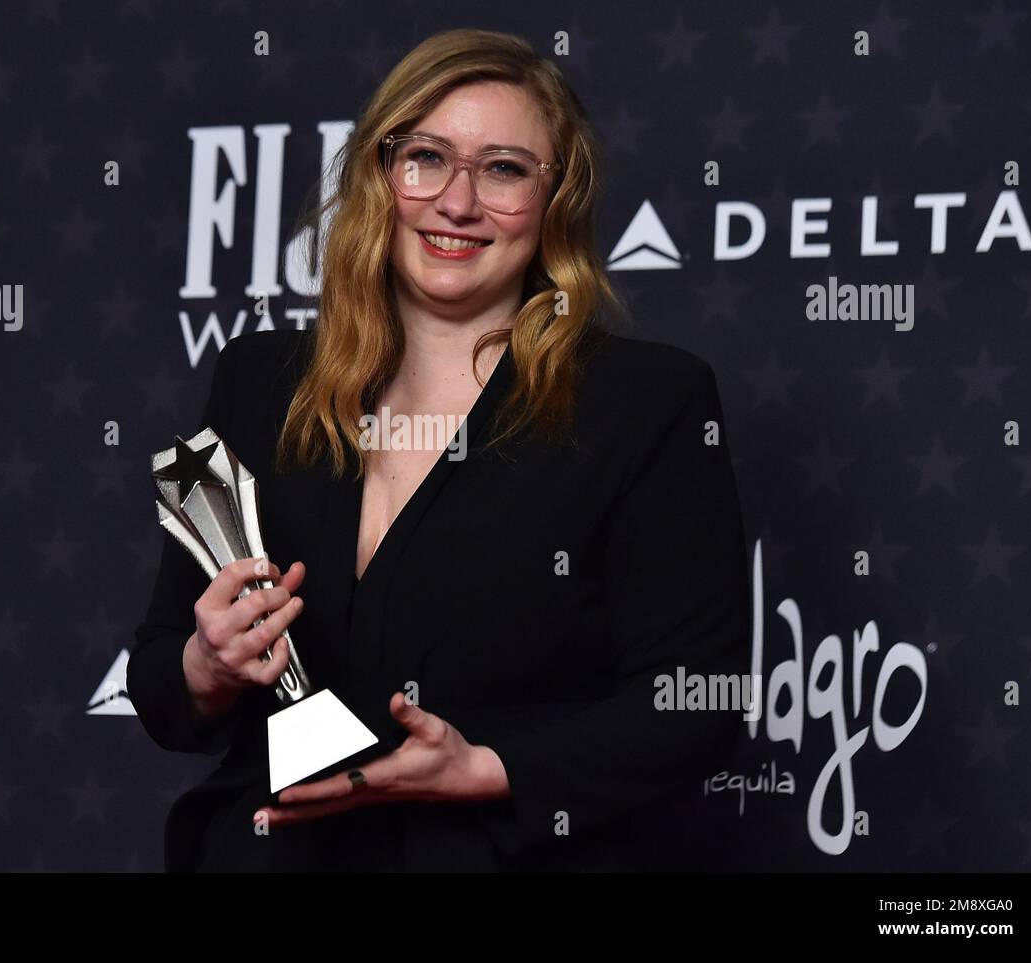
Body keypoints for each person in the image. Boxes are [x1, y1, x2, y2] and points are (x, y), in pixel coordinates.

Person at [129, 28, 750, 872]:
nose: (457, 202)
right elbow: (165, 680)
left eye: (502, 169)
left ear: (555, 196)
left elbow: (698, 704)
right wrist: (210, 661)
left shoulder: (643, 403)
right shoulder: (261, 380)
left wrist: (487, 769)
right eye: (426, 157)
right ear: (381, 177)